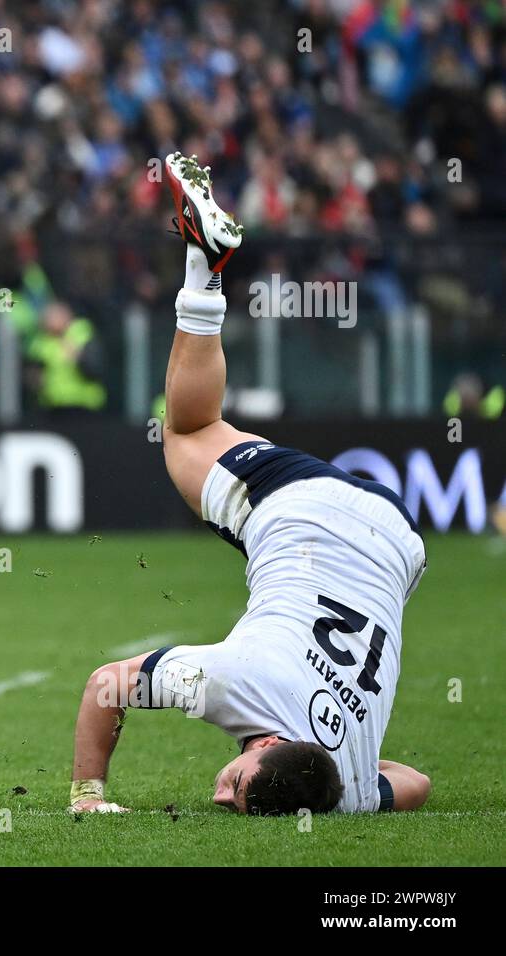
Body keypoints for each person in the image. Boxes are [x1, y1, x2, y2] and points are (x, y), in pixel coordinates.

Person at [68, 153, 431, 817]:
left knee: (198, 434)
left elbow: (414, 782)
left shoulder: (345, 788)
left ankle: (205, 266)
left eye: (230, 797)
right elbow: (104, 686)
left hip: (399, 543)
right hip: (305, 514)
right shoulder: (233, 683)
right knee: (186, 432)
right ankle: (204, 269)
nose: (218, 792)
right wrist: (88, 797)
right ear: (266, 745)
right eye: (236, 783)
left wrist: (361, 765)